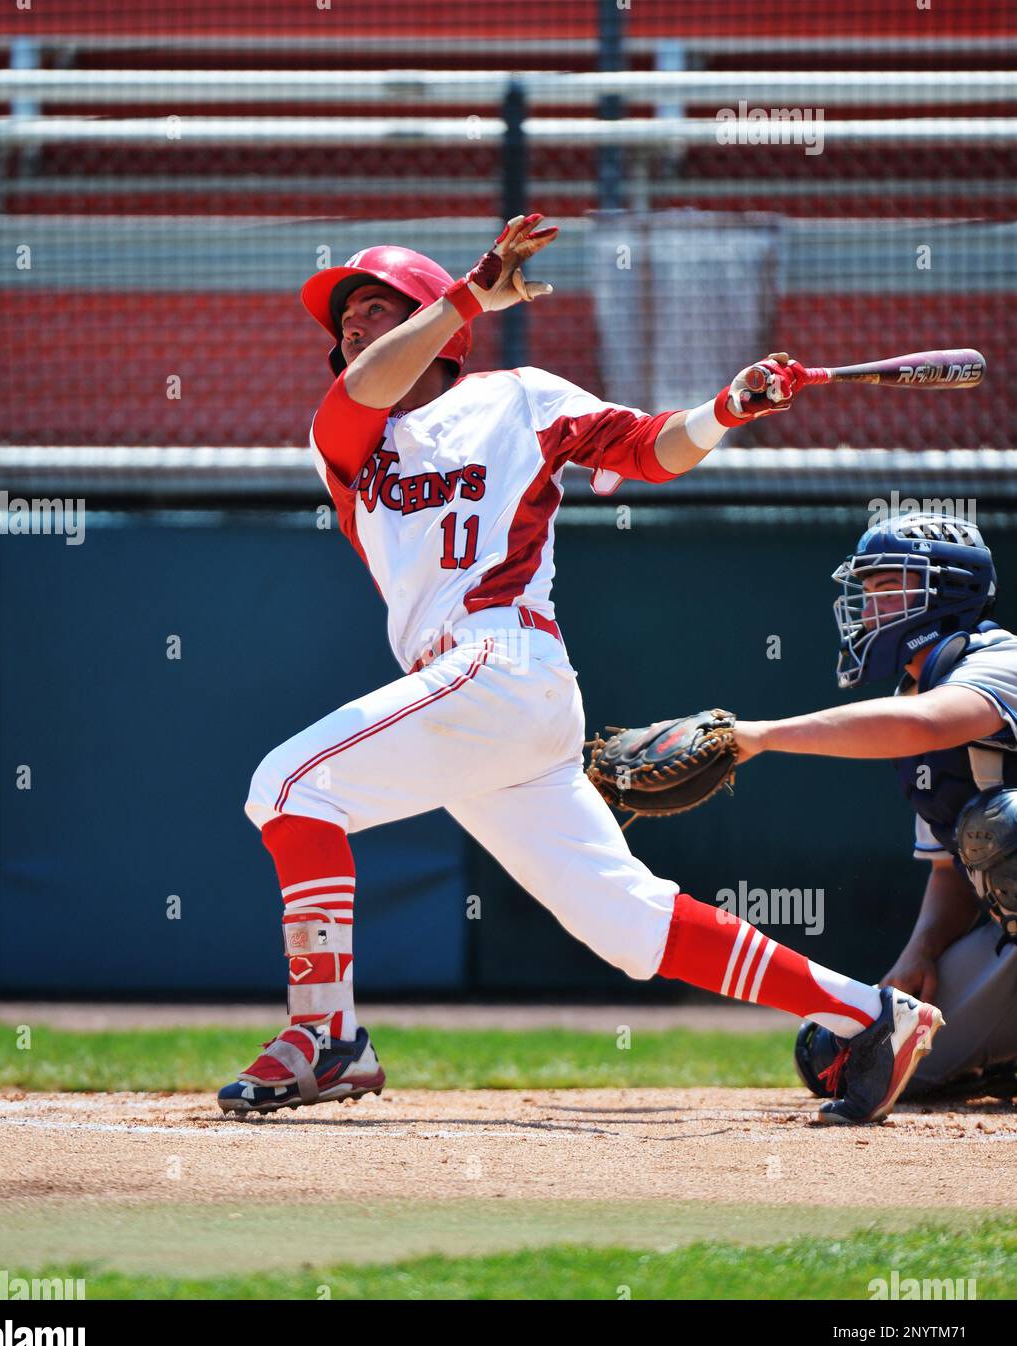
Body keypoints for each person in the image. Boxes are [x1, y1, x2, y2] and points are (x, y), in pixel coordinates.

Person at [217, 213, 942, 1125]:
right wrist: (465, 296)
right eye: (347, 319)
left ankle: (327, 1038)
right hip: (475, 702)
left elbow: (648, 451)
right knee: (625, 921)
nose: (351, 328)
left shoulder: (517, 397)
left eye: (371, 307)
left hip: (504, 662)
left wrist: (726, 408)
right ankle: (868, 1012)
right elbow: (364, 386)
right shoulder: (347, 439)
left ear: (430, 324)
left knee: (286, 786)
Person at [731, 510, 1017, 1100]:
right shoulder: (912, 694)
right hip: (1004, 936)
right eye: (866, 590)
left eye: (889, 587)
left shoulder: (997, 661)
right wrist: (920, 953)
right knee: (843, 1055)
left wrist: (761, 735)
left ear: (947, 593)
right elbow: (952, 868)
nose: (868, 606)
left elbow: (928, 724)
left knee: (1006, 826)